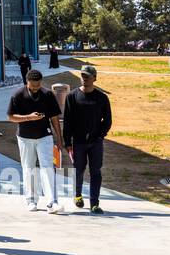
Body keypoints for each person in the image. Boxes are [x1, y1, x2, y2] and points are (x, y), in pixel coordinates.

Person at [6, 68, 65, 212]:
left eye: (38, 85)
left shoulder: (48, 94)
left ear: (41, 82)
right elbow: (11, 117)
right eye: (33, 86)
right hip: (25, 137)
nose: (36, 88)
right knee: (28, 168)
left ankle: (52, 201)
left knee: (47, 167)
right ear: (27, 82)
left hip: (44, 135)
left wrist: (59, 138)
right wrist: (29, 117)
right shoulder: (18, 95)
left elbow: (54, 117)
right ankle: (31, 200)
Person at [63, 64, 112, 212]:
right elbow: (68, 121)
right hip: (78, 142)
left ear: (94, 78)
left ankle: (94, 203)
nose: (84, 78)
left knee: (95, 171)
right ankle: (77, 195)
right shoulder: (72, 96)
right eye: (82, 76)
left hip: (95, 143)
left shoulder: (102, 98)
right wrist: (68, 142)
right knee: (78, 170)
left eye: (87, 76)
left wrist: (99, 136)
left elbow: (108, 120)